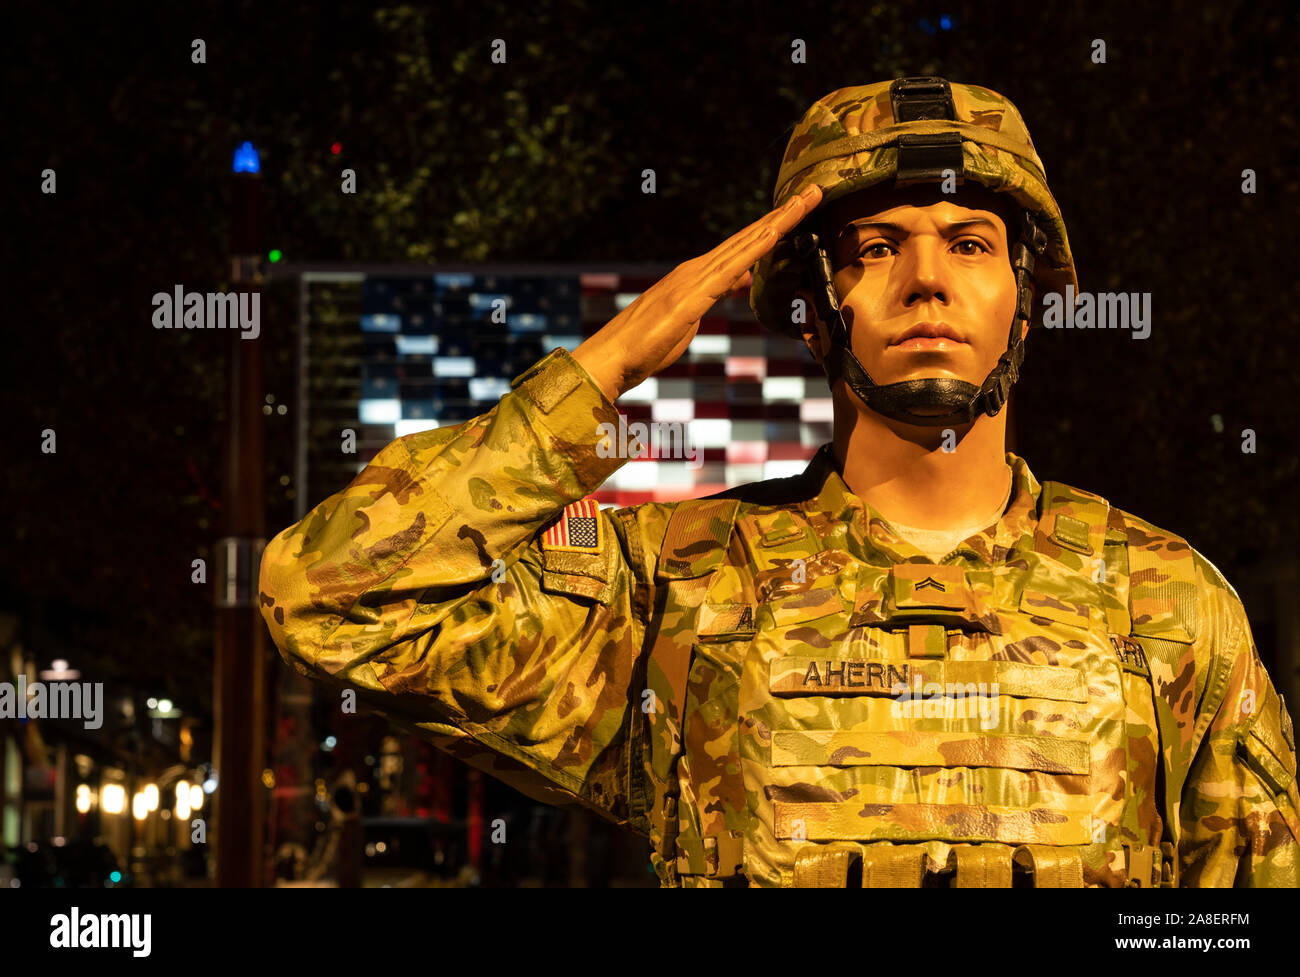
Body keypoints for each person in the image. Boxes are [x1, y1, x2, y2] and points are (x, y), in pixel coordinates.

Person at [259, 77, 1298, 887]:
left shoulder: (1171, 608)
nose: (926, 279)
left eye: (971, 244)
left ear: (1023, 306)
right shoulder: (674, 591)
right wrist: (599, 374)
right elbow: (329, 595)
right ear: (811, 306)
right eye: (876, 246)